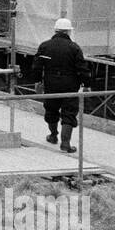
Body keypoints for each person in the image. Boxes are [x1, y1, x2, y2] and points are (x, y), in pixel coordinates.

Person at [23, 17, 89, 153]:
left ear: (55, 30)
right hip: (70, 85)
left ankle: (53, 136)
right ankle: (65, 144)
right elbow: (82, 68)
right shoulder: (74, 48)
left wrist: (37, 81)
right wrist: (86, 84)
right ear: (69, 32)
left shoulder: (45, 46)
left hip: (51, 83)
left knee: (51, 109)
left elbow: (36, 67)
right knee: (69, 113)